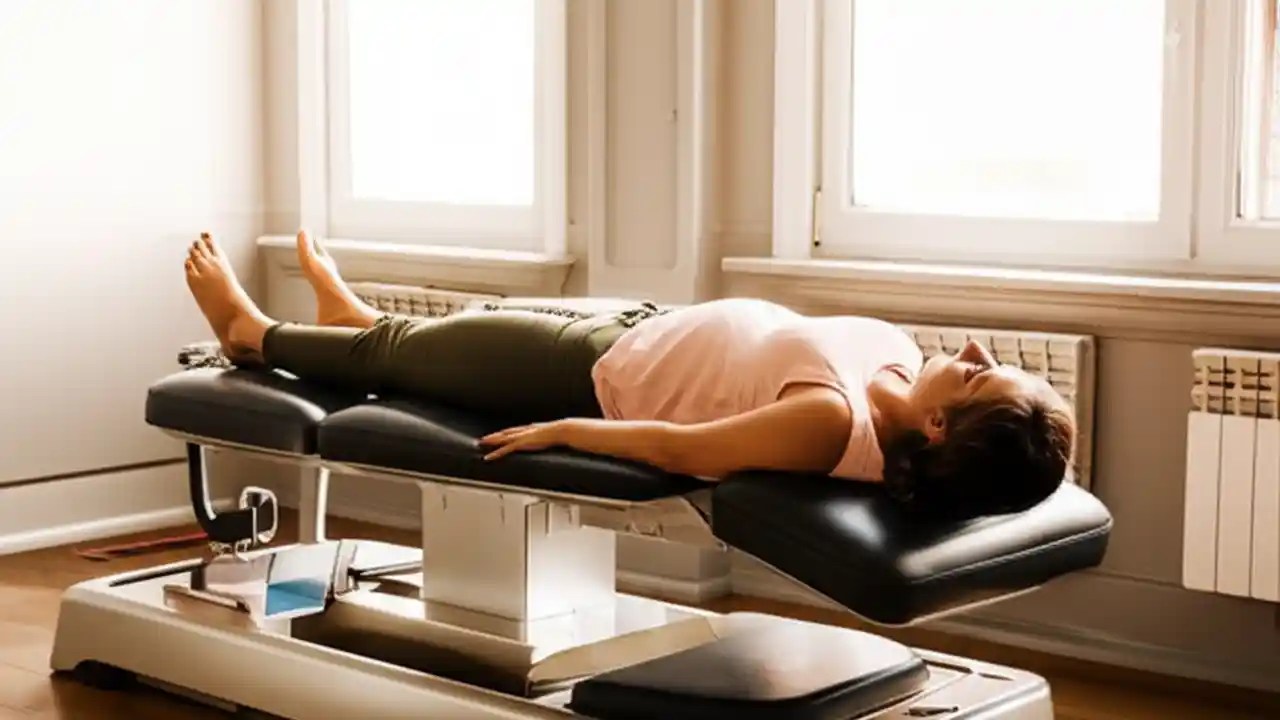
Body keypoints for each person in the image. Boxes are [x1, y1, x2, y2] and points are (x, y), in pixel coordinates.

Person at [183, 231, 1075, 517]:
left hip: (590, 377)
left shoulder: (827, 427)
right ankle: (359, 325)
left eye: (978, 381)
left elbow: (680, 447)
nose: (976, 356)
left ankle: (252, 332)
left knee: (405, 357)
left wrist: (568, 430)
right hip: (640, 326)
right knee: (445, 335)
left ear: (937, 431)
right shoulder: (902, 368)